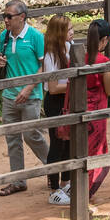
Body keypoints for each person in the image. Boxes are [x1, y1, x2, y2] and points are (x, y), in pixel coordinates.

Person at [0, 0, 48, 195]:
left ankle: (55, 168)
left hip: (31, 96)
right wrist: (0, 62)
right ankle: (18, 180)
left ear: (22, 17)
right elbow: (3, 60)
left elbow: (44, 66)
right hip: (9, 95)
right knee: (13, 139)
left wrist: (28, 88)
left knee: (31, 135)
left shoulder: (35, 37)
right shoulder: (4, 36)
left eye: (9, 16)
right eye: (4, 16)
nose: (6, 20)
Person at [80, 19, 110, 211]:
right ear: (103, 41)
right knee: (97, 155)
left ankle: (82, 192)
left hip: (80, 111)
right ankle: (85, 196)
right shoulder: (104, 63)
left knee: (82, 153)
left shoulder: (79, 58)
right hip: (98, 112)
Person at [41, 15, 75, 205]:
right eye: (69, 29)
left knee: (69, 142)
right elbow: (53, 88)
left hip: (68, 99)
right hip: (55, 102)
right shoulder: (51, 56)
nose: (72, 32)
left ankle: (66, 181)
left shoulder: (70, 48)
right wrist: (74, 84)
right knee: (57, 143)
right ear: (60, 33)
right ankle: (54, 188)